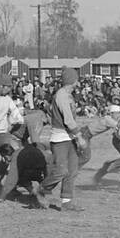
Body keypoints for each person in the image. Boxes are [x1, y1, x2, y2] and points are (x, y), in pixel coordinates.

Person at [41, 68, 89, 211]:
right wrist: (79, 137)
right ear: (73, 80)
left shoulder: (68, 95)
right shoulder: (62, 95)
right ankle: (41, 190)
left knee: (72, 170)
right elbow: (68, 120)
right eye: (76, 79)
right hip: (60, 137)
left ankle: (67, 202)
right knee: (61, 170)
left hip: (69, 136)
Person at [0, 113, 51, 207]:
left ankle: (7, 186)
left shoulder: (34, 117)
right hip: (15, 139)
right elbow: (35, 141)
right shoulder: (37, 120)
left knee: (17, 166)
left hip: (19, 139)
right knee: (16, 164)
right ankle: (1, 184)